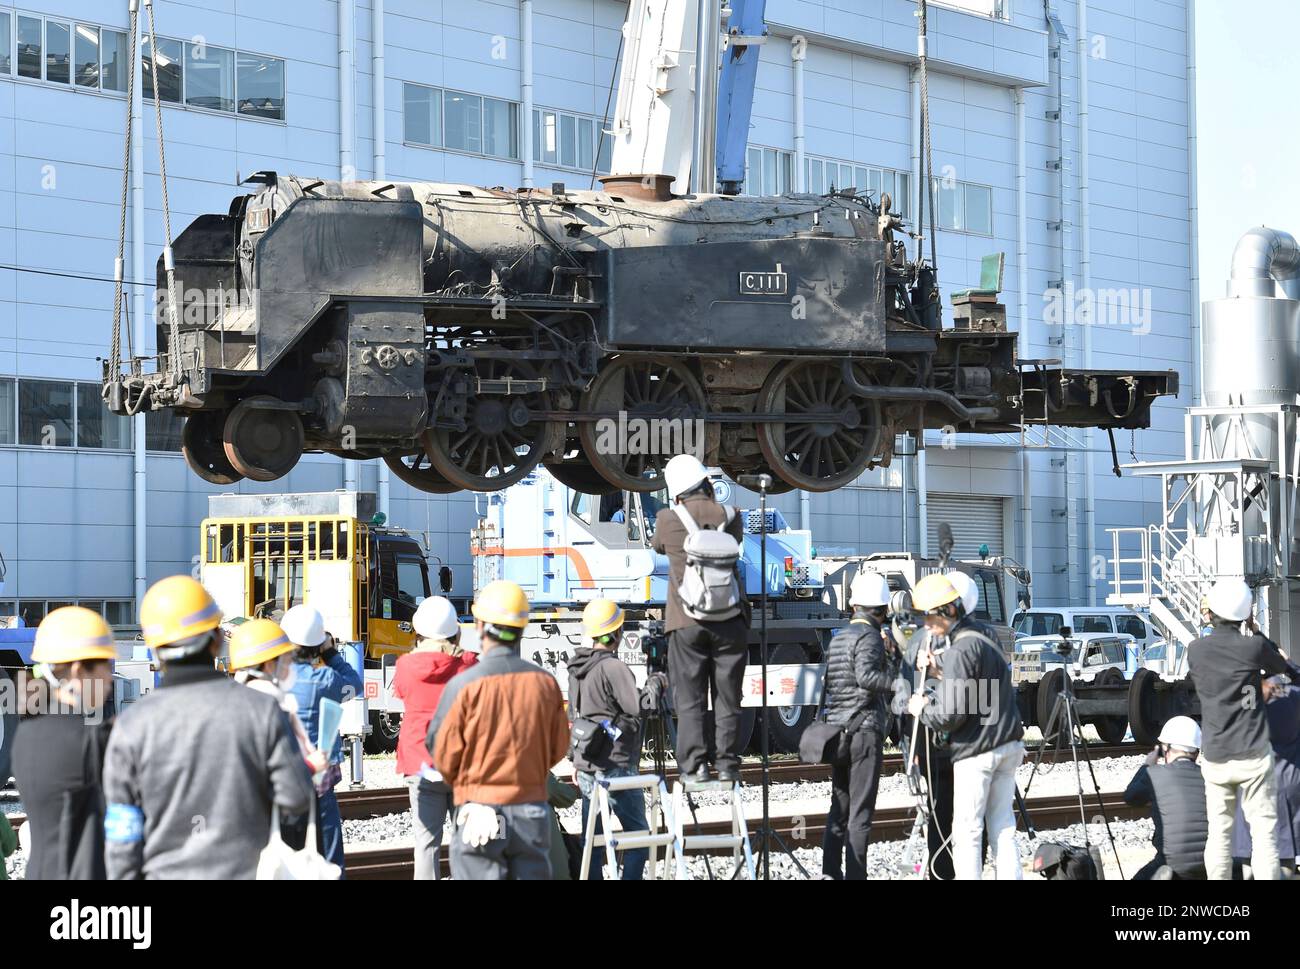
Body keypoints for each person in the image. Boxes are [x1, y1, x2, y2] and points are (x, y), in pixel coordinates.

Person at [102, 576, 313, 879]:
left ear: (155, 650)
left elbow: (122, 837)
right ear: (216, 640)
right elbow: (296, 796)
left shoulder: (131, 727)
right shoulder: (260, 711)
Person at [427, 580, 569, 879]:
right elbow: (557, 749)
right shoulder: (545, 684)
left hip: (480, 812)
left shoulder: (463, 685)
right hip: (531, 811)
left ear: (479, 625)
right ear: (522, 627)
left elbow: (441, 751)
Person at [908, 572, 1024, 880]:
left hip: (978, 750)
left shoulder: (959, 649)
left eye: (929, 618)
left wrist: (922, 708)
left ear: (948, 611)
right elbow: (977, 687)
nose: (926, 626)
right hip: (1009, 743)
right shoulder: (986, 638)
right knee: (1002, 826)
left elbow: (950, 714)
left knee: (967, 831)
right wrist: (938, 669)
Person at [1188, 578, 1300, 880]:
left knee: (1219, 833)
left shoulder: (1195, 650)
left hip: (1215, 756)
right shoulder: (1253, 646)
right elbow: (1282, 668)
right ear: (1245, 612)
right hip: (1252, 755)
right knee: (1264, 833)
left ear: (1210, 612)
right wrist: (1254, 627)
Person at [652, 453, 750, 783]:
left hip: (685, 622)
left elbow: (658, 548)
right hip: (730, 620)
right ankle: (727, 765)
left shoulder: (668, 518)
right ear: (708, 483)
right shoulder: (732, 516)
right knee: (727, 697)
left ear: (675, 492)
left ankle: (694, 767)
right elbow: (733, 543)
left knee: (690, 698)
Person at [10, 606, 117, 879]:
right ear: (79, 669)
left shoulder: (25, 738)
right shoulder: (94, 742)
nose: (109, 678)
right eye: (107, 666)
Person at [566, 598, 669, 880]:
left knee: (594, 842)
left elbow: (576, 715)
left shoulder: (577, 668)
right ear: (616, 633)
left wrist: (575, 761)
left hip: (587, 765)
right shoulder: (612, 668)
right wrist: (657, 682)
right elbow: (640, 705)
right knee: (639, 839)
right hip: (617, 765)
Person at [391, 596, 477, 880]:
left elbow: (403, 694)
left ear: (418, 632)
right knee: (467, 841)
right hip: (461, 763)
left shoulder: (405, 667)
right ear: (456, 630)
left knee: (426, 842)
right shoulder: (468, 665)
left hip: (420, 763)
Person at [821, 570, 896, 880]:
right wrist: (894, 678)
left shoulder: (838, 638)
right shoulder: (870, 637)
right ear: (880, 609)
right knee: (860, 813)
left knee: (839, 807)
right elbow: (867, 678)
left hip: (838, 731)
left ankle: (830, 872)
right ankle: (855, 875)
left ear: (854, 605)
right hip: (864, 731)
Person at [281, 603, 363, 873]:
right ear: (317, 644)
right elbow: (354, 682)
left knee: (287, 856)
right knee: (328, 859)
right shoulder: (325, 678)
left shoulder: (273, 679)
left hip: (282, 778)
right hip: (318, 776)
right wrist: (330, 652)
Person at [228, 618, 328, 778]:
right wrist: (311, 767)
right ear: (269, 664)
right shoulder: (273, 707)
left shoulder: (234, 701)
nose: (290, 666)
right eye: (287, 659)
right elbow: (286, 781)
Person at [1123, 716, 1208, 880]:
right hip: (1209, 864)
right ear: (1197, 751)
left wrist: (1147, 765)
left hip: (1171, 864)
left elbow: (1131, 797)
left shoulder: (1155, 774)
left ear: (1166, 748)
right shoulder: (1209, 776)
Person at [1232, 675, 1300, 877]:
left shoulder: (1243, 698)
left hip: (1252, 777)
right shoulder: (1294, 695)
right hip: (1288, 777)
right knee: (1283, 851)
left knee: (1250, 846)